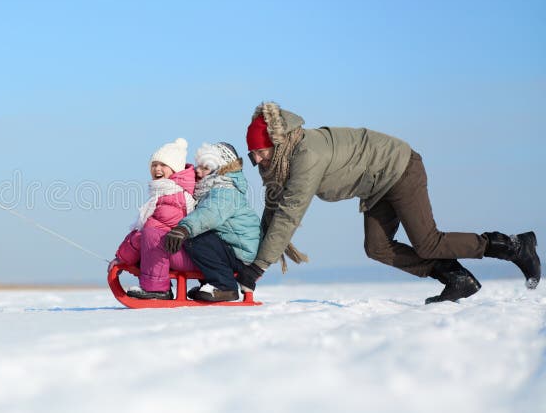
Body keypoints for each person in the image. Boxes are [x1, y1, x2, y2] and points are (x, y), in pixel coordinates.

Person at [237, 101, 540, 304]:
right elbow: (276, 207)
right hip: (377, 184)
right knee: (377, 247)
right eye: (254, 155)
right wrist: (254, 252)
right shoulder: (287, 158)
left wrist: (258, 267)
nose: (258, 160)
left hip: (400, 169)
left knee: (428, 242)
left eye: (260, 152)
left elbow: (289, 214)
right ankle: (456, 277)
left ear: (276, 143)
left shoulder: (307, 156)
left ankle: (513, 246)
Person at [163, 142, 261, 302]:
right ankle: (210, 284)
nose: (198, 171)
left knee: (195, 240)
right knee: (202, 239)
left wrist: (184, 229)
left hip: (240, 254)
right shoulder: (212, 189)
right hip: (231, 248)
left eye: (205, 168)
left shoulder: (225, 191)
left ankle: (224, 286)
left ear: (220, 169)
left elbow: (208, 214)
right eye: (198, 167)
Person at [108, 138, 197, 300]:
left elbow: (150, 231)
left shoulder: (176, 197)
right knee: (150, 236)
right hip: (178, 251)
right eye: (154, 165)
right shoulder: (164, 194)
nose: (157, 169)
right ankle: (158, 285)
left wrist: (122, 257)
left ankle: (157, 288)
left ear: (175, 168)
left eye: (163, 165)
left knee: (151, 235)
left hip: (186, 254)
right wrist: (123, 256)